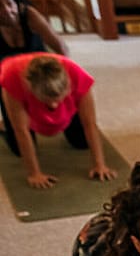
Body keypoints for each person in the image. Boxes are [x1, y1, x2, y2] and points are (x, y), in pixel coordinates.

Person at [0, 52, 115, 188]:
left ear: (68, 87)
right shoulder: (12, 80)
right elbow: (21, 131)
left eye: (57, 99)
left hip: (66, 97)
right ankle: (4, 125)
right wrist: (34, 173)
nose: (54, 105)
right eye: (47, 100)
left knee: (81, 142)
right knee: (19, 149)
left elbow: (90, 123)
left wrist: (100, 164)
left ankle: (57, 104)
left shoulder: (77, 76)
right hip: (19, 88)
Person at [1, 0, 68, 61]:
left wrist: (63, 67)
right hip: (6, 68)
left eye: (9, 3)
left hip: (39, 66)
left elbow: (61, 48)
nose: (7, 10)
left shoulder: (30, 15)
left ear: (16, 3)